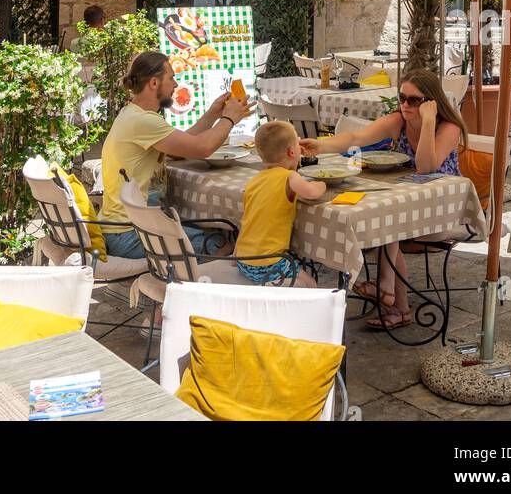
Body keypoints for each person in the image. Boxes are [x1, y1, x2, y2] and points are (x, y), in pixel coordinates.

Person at [301, 67, 466, 330]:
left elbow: (426, 167)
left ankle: (389, 292)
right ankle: (396, 304)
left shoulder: (449, 127)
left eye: (414, 100)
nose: (405, 105)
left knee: (388, 221)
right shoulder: (398, 120)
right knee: (384, 218)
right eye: (402, 97)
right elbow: (356, 138)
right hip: (408, 200)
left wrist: (427, 122)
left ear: (431, 102)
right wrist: (320, 145)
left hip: (442, 207)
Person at [99, 49, 249, 259]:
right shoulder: (143, 121)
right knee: (220, 244)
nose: (176, 84)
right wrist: (230, 118)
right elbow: (202, 148)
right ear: (154, 83)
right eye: (171, 78)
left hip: (123, 227)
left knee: (214, 236)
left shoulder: (133, 114)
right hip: (128, 234)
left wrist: (212, 115)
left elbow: (183, 145)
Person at [235, 121, 325, 287]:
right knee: (311, 285)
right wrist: (321, 184)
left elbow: (246, 221)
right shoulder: (289, 177)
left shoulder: (254, 181)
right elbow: (311, 193)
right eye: (298, 143)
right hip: (270, 263)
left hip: (243, 260)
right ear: (292, 152)